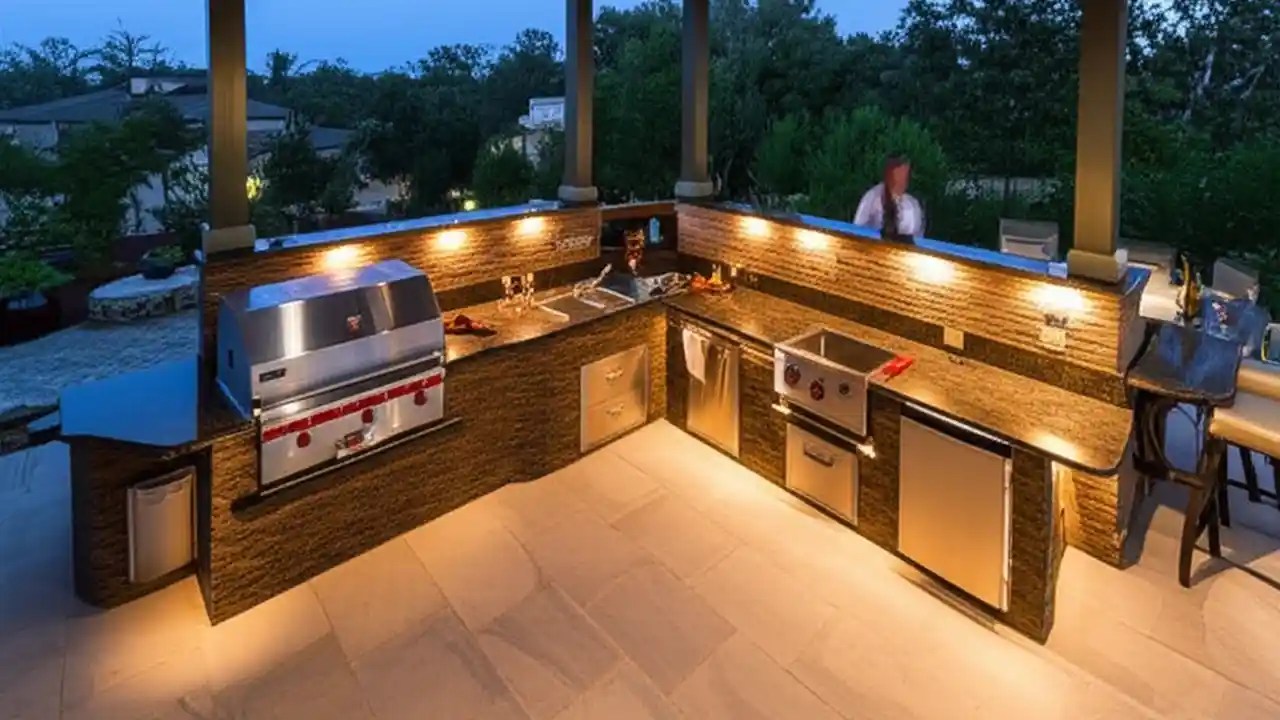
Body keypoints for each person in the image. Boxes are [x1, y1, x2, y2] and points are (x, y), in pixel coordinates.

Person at [854, 155, 925, 240]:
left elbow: (918, 239)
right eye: (899, 174)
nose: (903, 179)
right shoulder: (872, 198)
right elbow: (857, 231)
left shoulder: (913, 205)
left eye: (905, 174)